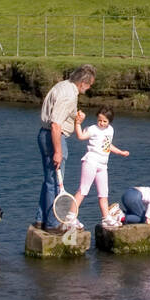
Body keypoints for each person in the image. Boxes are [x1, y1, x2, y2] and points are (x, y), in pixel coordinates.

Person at [36, 64, 96, 232]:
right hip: (53, 137)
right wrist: (58, 151)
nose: (90, 87)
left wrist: (76, 118)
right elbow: (56, 125)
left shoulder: (63, 85)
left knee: (49, 181)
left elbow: (59, 115)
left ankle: (41, 219)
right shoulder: (69, 95)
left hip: (45, 134)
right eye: (90, 84)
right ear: (83, 82)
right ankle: (53, 224)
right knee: (55, 182)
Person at [64, 107, 129, 231]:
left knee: (103, 193)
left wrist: (120, 152)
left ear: (109, 121)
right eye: (100, 120)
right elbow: (81, 136)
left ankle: (106, 218)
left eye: (105, 121)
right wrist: (77, 123)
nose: (102, 123)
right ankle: (71, 217)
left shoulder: (110, 130)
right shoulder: (93, 129)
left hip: (103, 165)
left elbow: (108, 145)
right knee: (83, 190)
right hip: (91, 162)